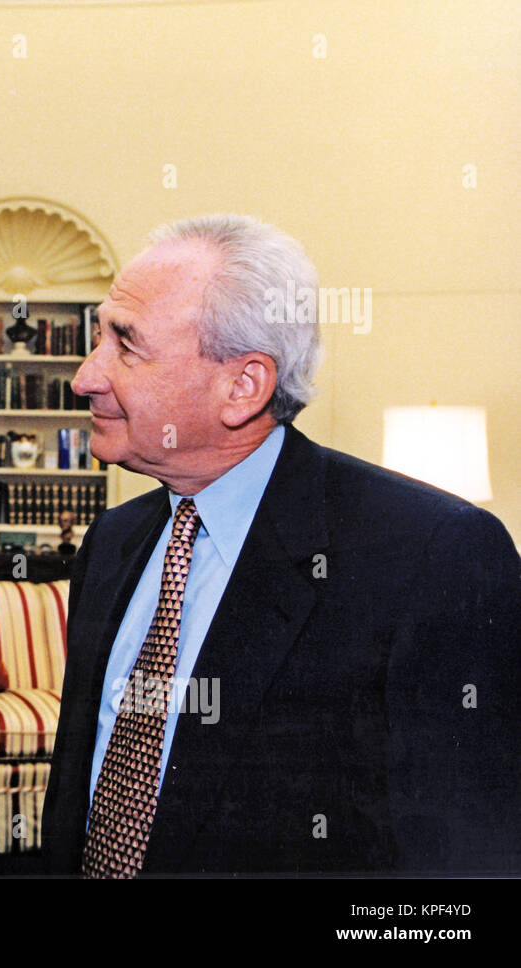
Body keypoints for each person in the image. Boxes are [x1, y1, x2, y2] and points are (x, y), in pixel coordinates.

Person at [42, 214, 520, 876]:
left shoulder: (434, 557)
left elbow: (466, 868)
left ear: (243, 387)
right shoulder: (111, 542)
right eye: (99, 337)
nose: (84, 377)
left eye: (126, 346)